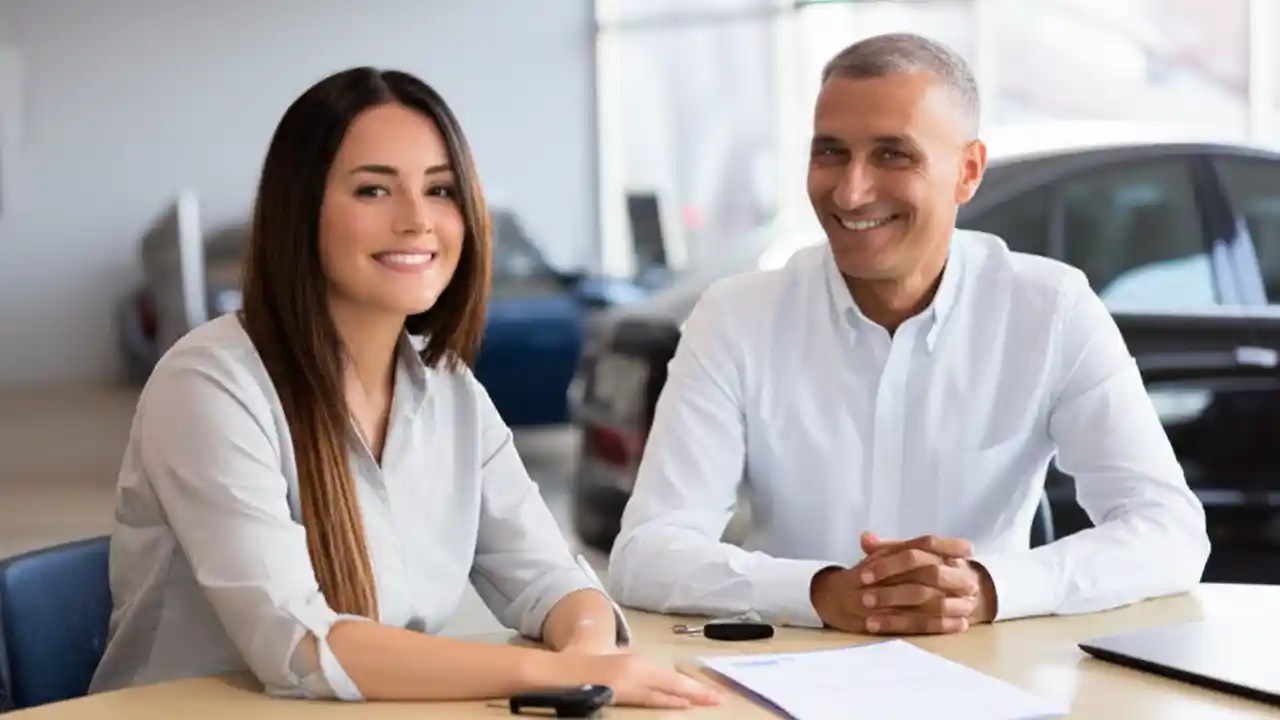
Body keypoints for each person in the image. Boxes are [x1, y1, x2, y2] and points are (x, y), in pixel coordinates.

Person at [88, 67, 719, 710]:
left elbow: (550, 578)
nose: (417, 220)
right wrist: (549, 674)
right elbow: (299, 649)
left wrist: (585, 652)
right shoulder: (209, 385)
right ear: (300, 212)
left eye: (440, 190)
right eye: (373, 190)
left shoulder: (450, 389)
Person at [607, 33, 1210, 636]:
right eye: (831, 153)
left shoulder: (1050, 310)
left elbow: (1169, 532)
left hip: (987, 665)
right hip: (791, 662)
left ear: (967, 172)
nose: (850, 191)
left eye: (893, 155)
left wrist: (986, 587)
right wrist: (819, 591)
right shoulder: (736, 316)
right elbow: (647, 552)